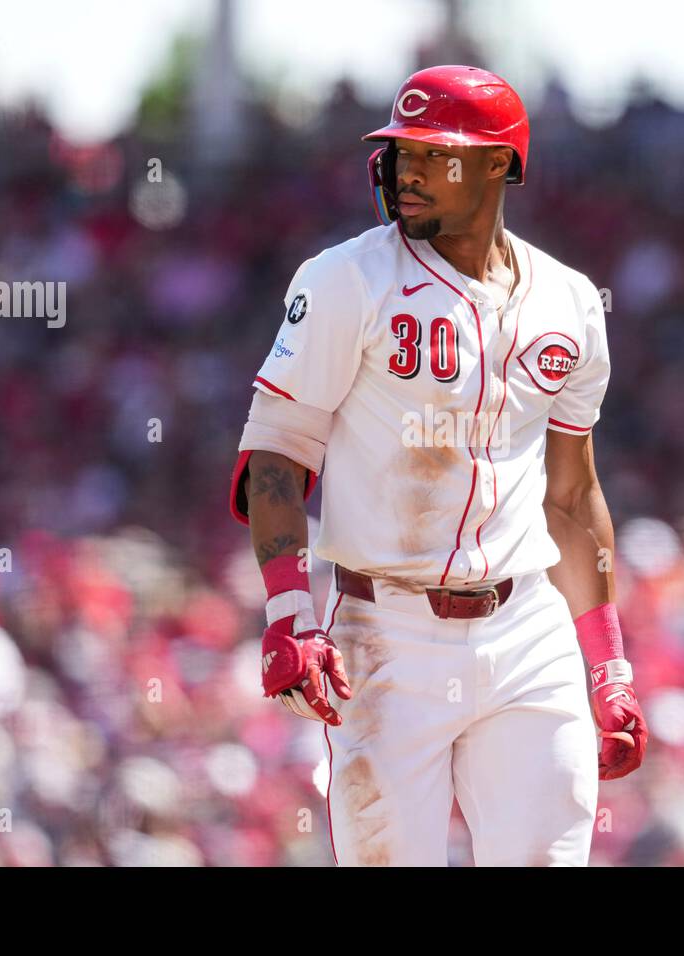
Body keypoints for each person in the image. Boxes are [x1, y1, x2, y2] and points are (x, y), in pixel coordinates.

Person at [229, 65, 647, 866]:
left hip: (528, 626)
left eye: (435, 153)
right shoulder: (346, 279)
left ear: (500, 164)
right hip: (384, 634)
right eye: (401, 150)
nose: (407, 170)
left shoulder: (569, 300)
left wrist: (610, 665)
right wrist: (291, 611)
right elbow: (275, 458)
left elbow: (571, 496)